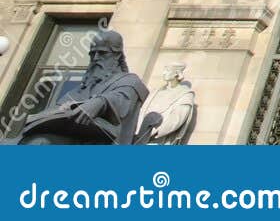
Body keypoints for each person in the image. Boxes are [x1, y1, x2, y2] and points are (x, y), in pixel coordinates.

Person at [19, 30, 148, 145]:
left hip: (101, 142)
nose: (96, 58)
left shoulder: (129, 80)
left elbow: (121, 99)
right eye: (92, 54)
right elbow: (59, 109)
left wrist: (100, 102)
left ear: (117, 55)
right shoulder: (85, 86)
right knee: (37, 142)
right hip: (70, 137)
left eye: (102, 53)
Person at [134, 63, 196, 145]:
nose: (163, 73)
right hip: (139, 135)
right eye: (164, 70)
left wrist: (152, 132)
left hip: (159, 139)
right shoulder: (156, 91)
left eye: (167, 70)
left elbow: (177, 119)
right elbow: (143, 111)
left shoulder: (185, 94)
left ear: (176, 74)